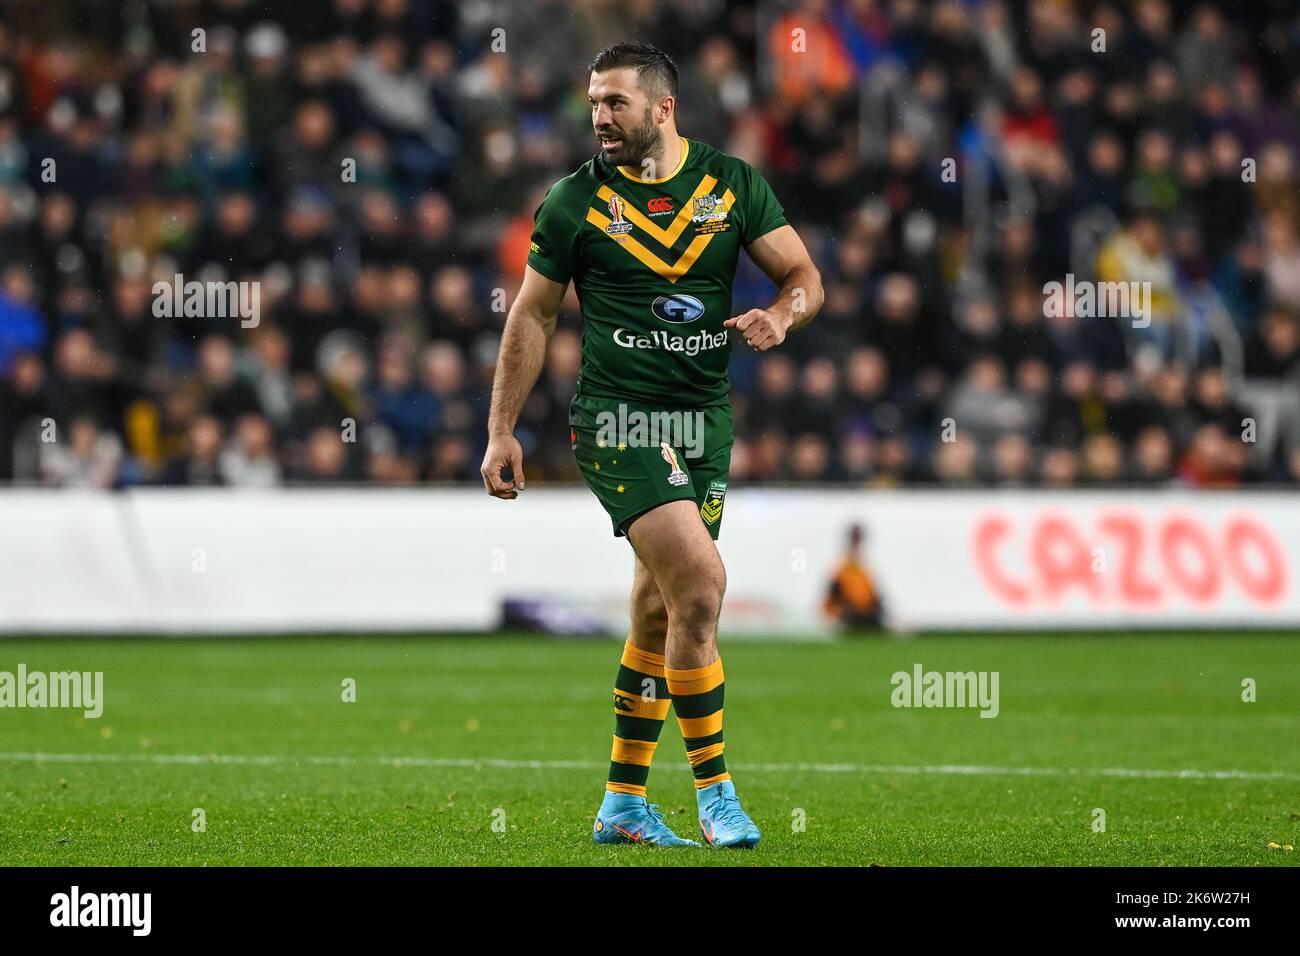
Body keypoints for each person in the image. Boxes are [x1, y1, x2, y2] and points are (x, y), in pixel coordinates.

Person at [480, 41, 822, 848]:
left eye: (615, 103)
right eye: (594, 103)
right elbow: (532, 315)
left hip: (702, 420)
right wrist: (501, 428)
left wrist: (783, 315)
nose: (599, 117)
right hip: (617, 419)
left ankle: (622, 804)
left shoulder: (731, 186)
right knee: (700, 586)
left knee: (653, 606)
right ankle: (717, 794)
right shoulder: (572, 202)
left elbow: (804, 274)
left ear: (663, 109)